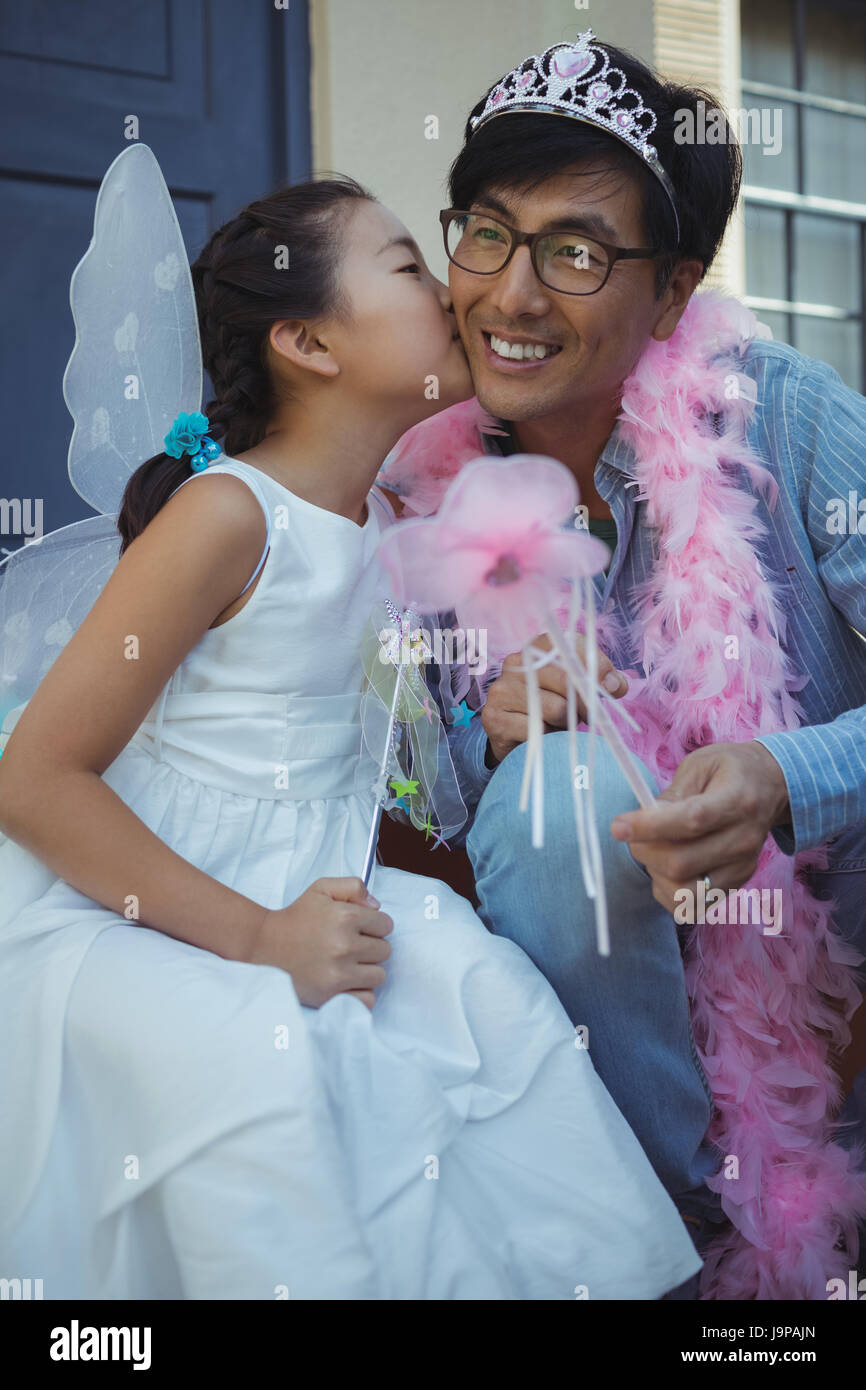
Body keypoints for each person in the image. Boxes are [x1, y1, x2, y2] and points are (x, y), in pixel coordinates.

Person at [0, 147, 701, 1300]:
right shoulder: (226, 518)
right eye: (407, 265)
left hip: (326, 895)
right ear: (311, 344)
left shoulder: (386, 519)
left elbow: (396, 768)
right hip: (156, 907)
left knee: (488, 999)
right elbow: (34, 781)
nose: (452, 292)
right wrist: (261, 937)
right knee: (265, 1076)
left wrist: (512, 697)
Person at [378, 31, 866, 1300]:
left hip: (823, 1019)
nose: (510, 294)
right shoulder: (421, 488)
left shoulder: (788, 418)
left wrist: (783, 772)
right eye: (483, 232)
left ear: (674, 286)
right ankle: (665, 1239)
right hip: (586, 1082)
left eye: (576, 251)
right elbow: (412, 815)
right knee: (550, 798)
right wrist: (487, 742)